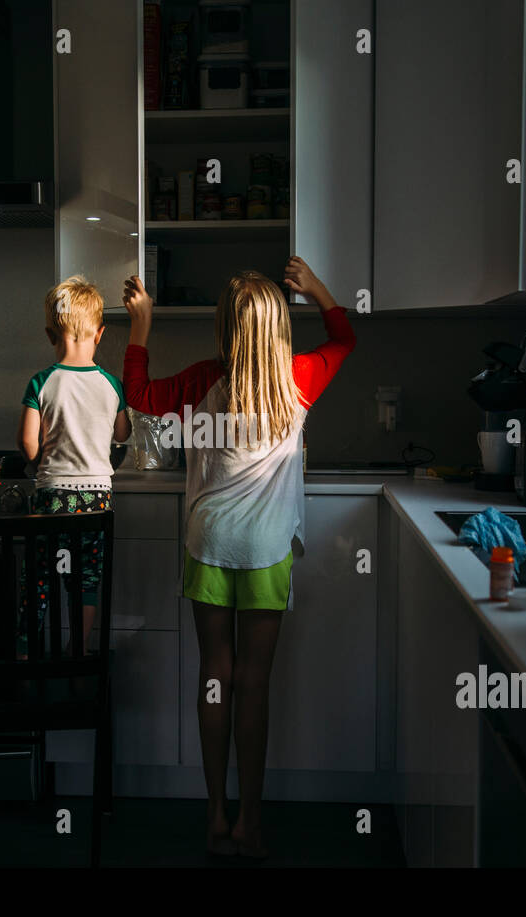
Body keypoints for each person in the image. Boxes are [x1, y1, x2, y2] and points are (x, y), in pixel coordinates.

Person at [121, 258, 355, 858]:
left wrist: (141, 325)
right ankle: (252, 821)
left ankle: (215, 815)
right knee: (254, 683)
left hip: (208, 544)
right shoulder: (299, 377)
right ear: (279, 326)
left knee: (215, 678)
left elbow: (140, 396)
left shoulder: (204, 380)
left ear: (224, 330)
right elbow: (345, 338)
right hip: (266, 551)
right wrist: (318, 290)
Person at [18, 276, 131, 652]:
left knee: (40, 576)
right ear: (99, 334)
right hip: (97, 499)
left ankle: (28, 650)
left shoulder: (41, 382)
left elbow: (27, 442)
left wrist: (39, 462)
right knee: (86, 579)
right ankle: (79, 649)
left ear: (51, 335)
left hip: (52, 496)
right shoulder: (112, 385)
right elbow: (121, 434)